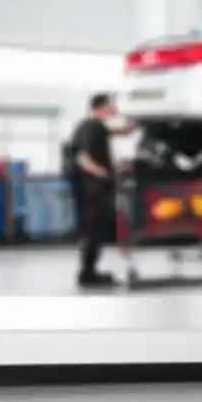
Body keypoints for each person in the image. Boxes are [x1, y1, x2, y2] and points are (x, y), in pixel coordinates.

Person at [70, 93, 126, 288]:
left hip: (96, 189)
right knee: (94, 231)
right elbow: (82, 158)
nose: (115, 108)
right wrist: (102, 173)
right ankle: (87, 274)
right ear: (101, 107)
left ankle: (90, 272)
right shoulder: (90, 126)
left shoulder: (98, 127)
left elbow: (120, 131)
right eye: (112, 105)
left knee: (97, 231)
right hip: (93, 190)